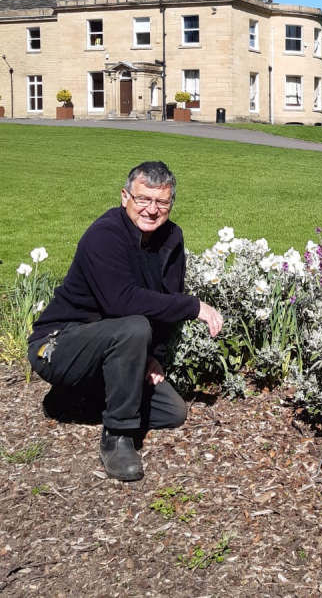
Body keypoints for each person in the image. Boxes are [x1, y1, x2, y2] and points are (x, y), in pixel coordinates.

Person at [28, 160, 223, 482]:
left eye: (161, 202)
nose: (151, 210)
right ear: (124, 197)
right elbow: (121, 301)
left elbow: (164, 302)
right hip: (59, 344)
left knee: (172, 412)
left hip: (115, 344)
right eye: (143, 199)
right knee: (133, 326)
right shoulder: (105, 235)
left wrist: (154, 357)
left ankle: (71, 399)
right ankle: (118, 437)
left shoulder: (172, 237)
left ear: (171, 203)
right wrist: (193, 306)